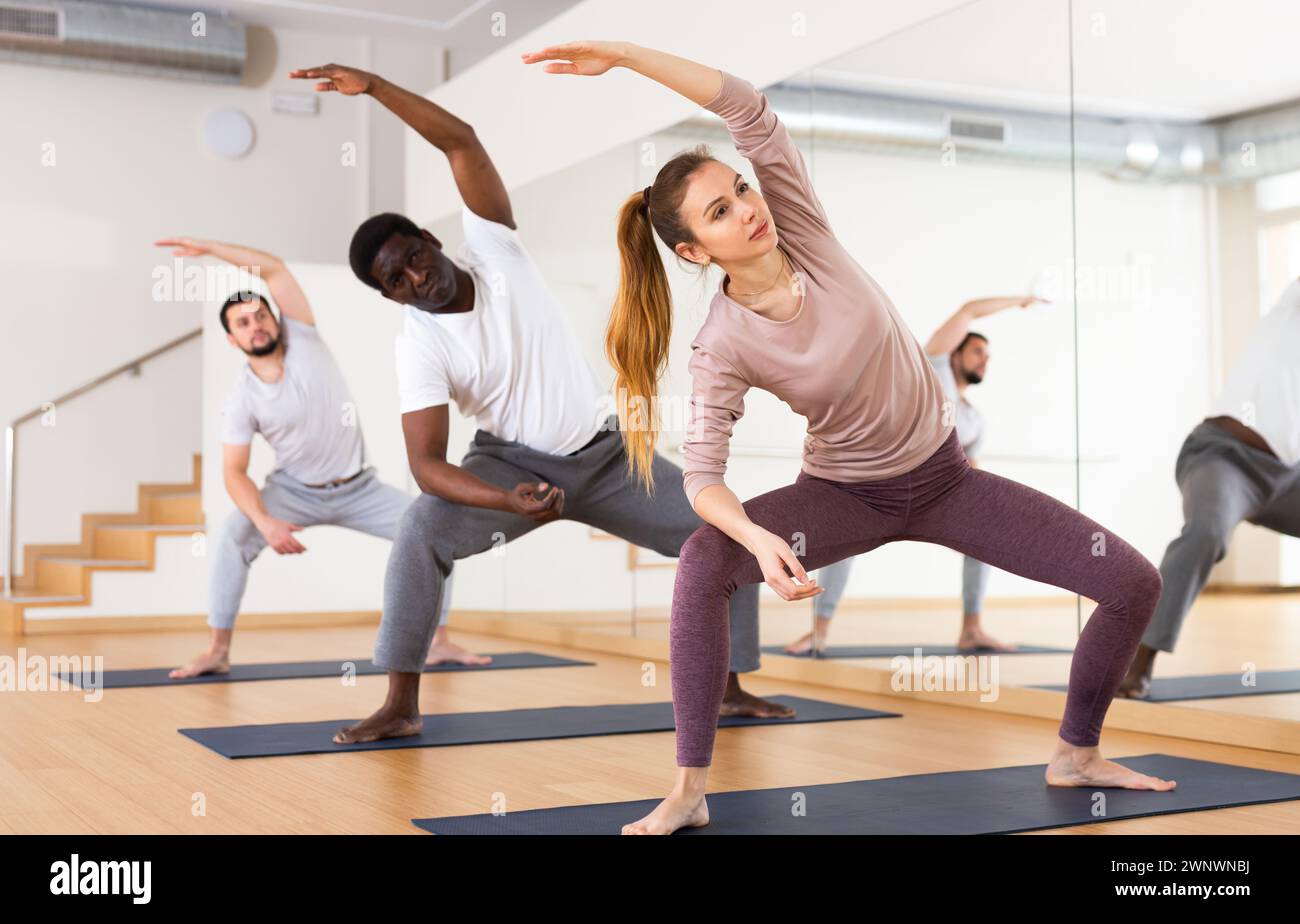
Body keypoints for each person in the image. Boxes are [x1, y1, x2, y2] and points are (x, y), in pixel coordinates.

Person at [522, 40, 1177, 834]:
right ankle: (689, 790)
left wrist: (626, 58)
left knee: (1134, 581)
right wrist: (758, 540)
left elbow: (745, 107)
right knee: (703, 561)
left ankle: (1076, 753)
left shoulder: (802, 230)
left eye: (738, 188)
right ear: (694, 251)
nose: (747, 208)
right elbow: (701, 476)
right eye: (720, 212)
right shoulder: (721, 344)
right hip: (844, 496)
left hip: (947, 483)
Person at [284, 63, 786, 744]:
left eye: (412, 257)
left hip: (610, 460)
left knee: (731, 530)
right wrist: (505, 500)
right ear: (390, 296)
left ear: (431, 241)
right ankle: (401, 702)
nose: (414, 278)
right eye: (395, 281)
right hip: (509, 467)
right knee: (419, 532)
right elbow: (428, 467)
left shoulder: (494, 250)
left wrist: (374, 87)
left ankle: (730, 688)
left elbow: (461, 142)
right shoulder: (419, 346)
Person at [156, 238, 479, 678]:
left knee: (437, 529)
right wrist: (266, 523)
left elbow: (272, 267)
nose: (256, 326)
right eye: (243, 323)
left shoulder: (304, 336)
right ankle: (217, 649)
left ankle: (437, 642)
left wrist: (209, 248)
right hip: (293, 492)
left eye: (261, 316)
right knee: (234, 536)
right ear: (232, 339)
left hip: (360, 488)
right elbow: (234, 473)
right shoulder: (240, 400)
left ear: (276, 321)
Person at [785, 297, 1040, 655]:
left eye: (988, 354)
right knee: (841, 542)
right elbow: (966, 310)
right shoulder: (935, 370)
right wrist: (1019, 301)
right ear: (955, 354)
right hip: (883, 489)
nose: (985, 359)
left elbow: (970, 469)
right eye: (977, 351)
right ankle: (819, 630)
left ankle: (972, 629)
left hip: (934, 500)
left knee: (986, 532)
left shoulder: (973, 419)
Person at [1119, 278, 1300, 698]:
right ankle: (1140, 658)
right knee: (1206, 532)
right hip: (1224, 455)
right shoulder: (1291, 311)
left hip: (1288, 476)